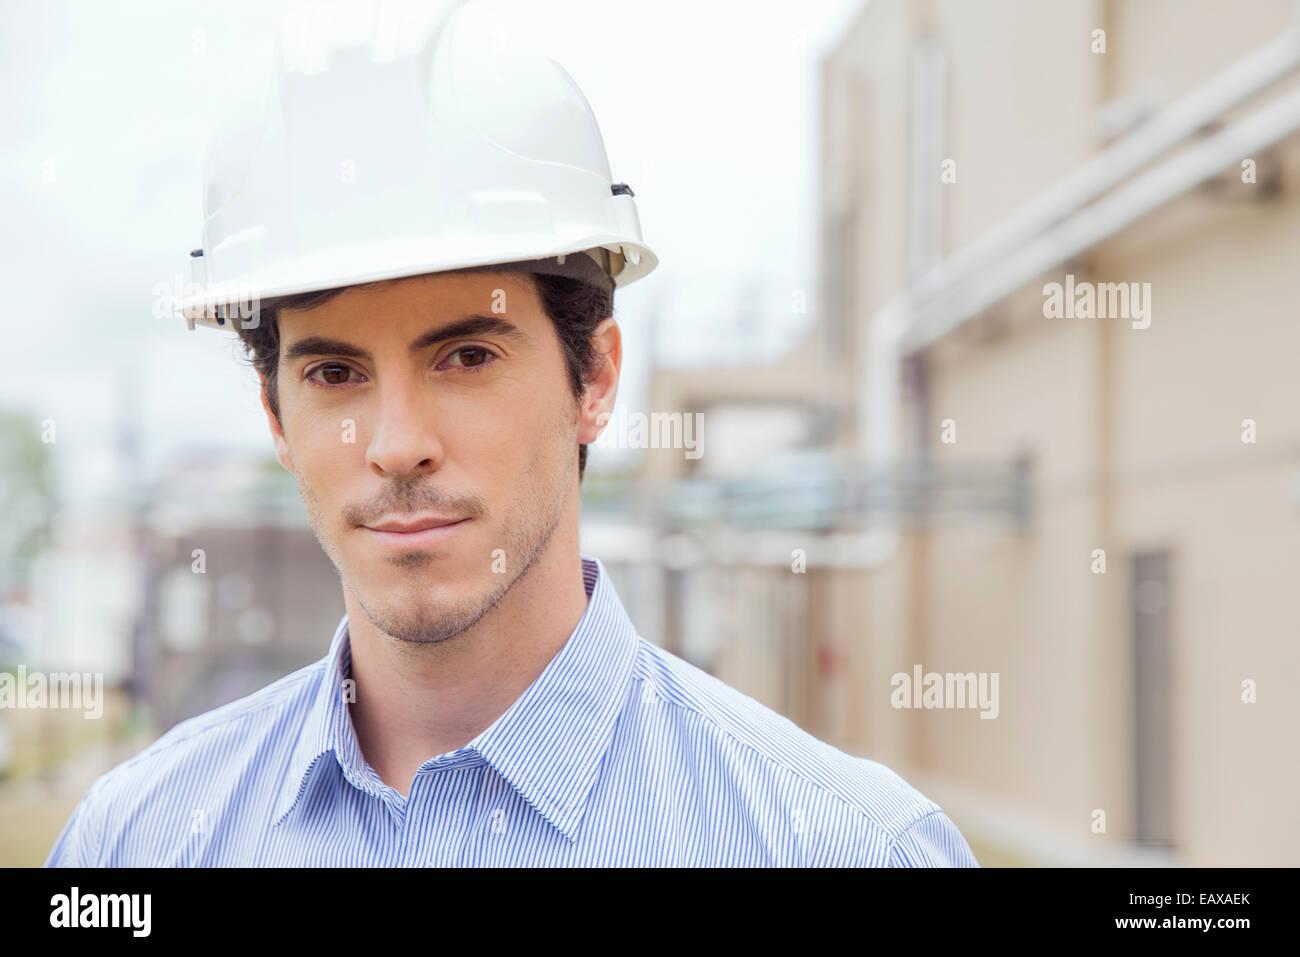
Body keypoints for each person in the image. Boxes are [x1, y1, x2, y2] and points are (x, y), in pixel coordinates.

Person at [45, 0, 978, 867]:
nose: (396, 444)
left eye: (465, 357)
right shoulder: (136, 840)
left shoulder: (843, 846)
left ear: (595, 378)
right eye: (335, 373)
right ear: (275, 417)